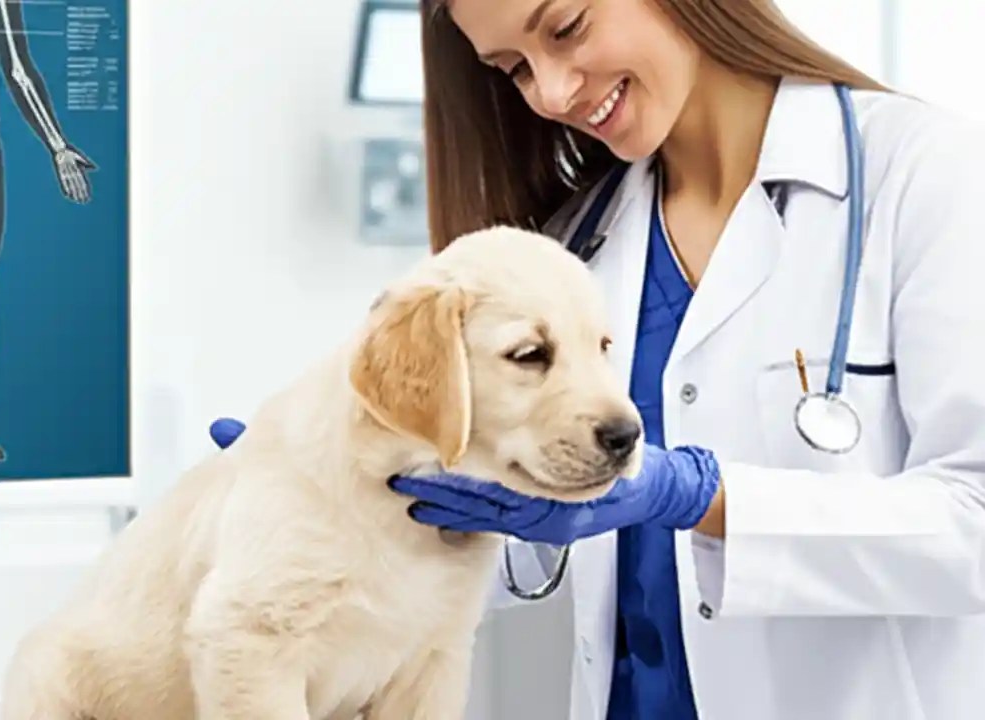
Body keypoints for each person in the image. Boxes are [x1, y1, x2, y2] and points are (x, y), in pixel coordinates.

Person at [211, 1, 985, 718]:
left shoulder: (923, 174)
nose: (549, 93)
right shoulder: (573, 247)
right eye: (512, 68)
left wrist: (701, 499)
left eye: (566, 27)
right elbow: (534, 548)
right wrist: (337, 494)